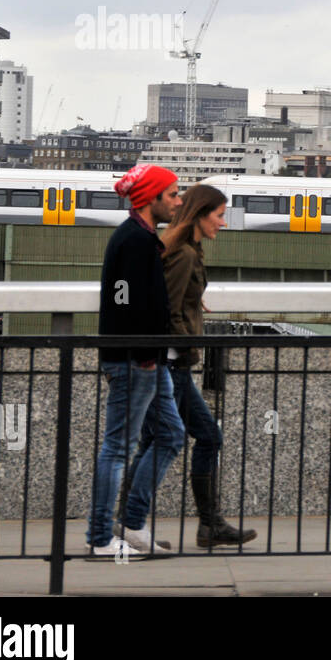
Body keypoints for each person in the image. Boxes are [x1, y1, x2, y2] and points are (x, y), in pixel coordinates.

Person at [126, 183, 256, 548]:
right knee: (194, 437)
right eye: (218, 215)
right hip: (171, 363)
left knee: (162, 438)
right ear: (200, 216)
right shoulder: (183, 254)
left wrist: (193, 302)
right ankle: (142, 522)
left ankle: (129, 522)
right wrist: (185, 335)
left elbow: (172, 297)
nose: (223, 223)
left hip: (169, 363)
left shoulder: (187, 250)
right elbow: (164, 309)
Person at [86, 164, 186, 558]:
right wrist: (142, 352)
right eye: (174, 194)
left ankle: (133, 523)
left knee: (170, 434)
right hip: (136, 360)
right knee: (117, 448)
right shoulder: (134, 242)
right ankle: (99, 538)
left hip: (147, 358)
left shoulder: (140, 238)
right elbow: (123, 301)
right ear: (152, 198)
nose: (179, 203)